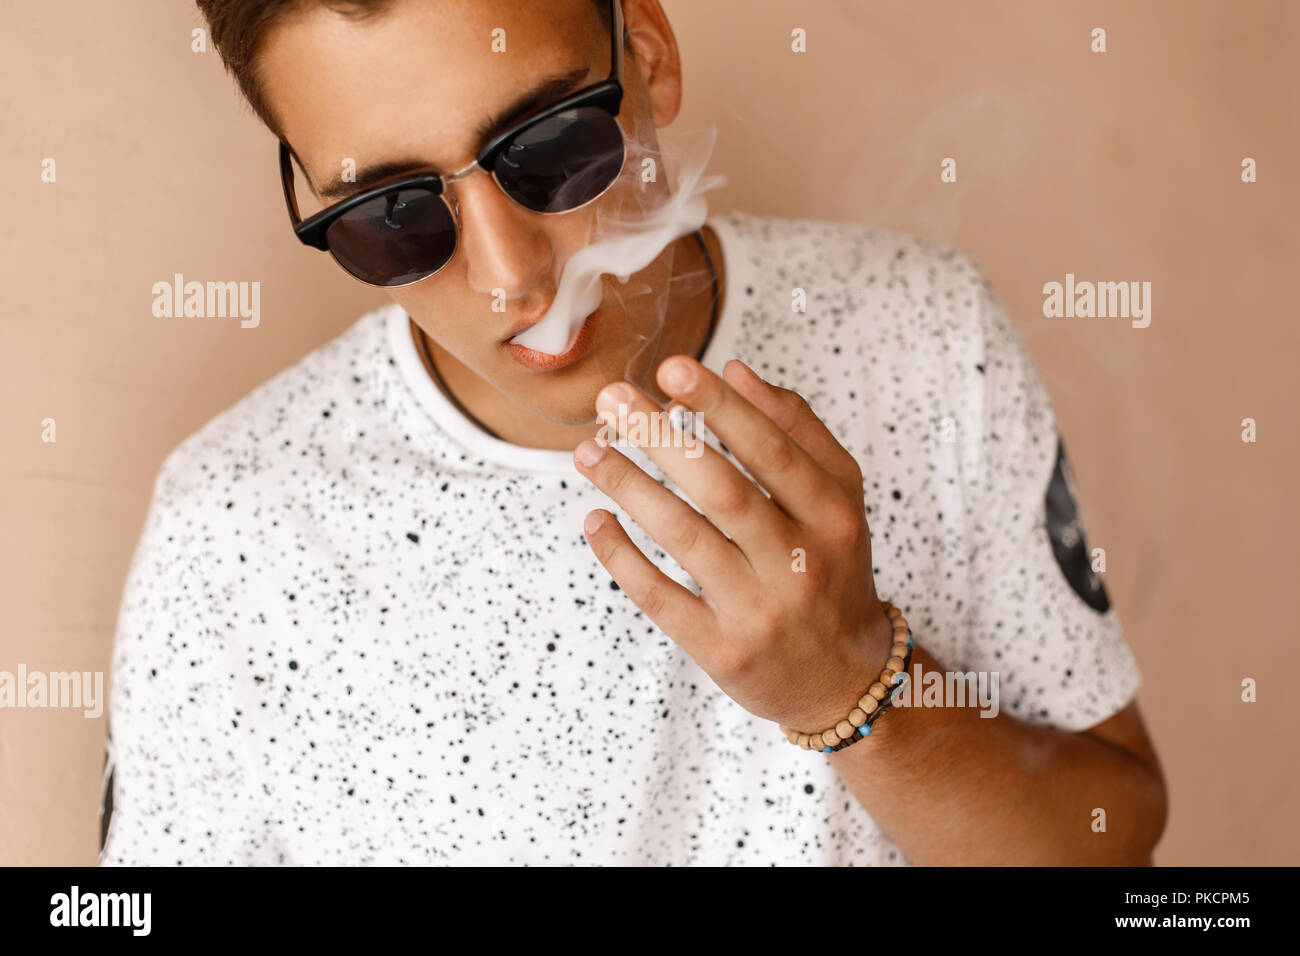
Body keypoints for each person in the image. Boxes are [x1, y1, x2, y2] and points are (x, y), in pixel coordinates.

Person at [99, 0, 1167, 865]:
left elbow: (1112, 835)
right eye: (392, 214)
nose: (515, 276)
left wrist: (855, 688)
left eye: (550, 145)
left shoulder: (923, 331)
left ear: (647, 57)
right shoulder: (229, 526)